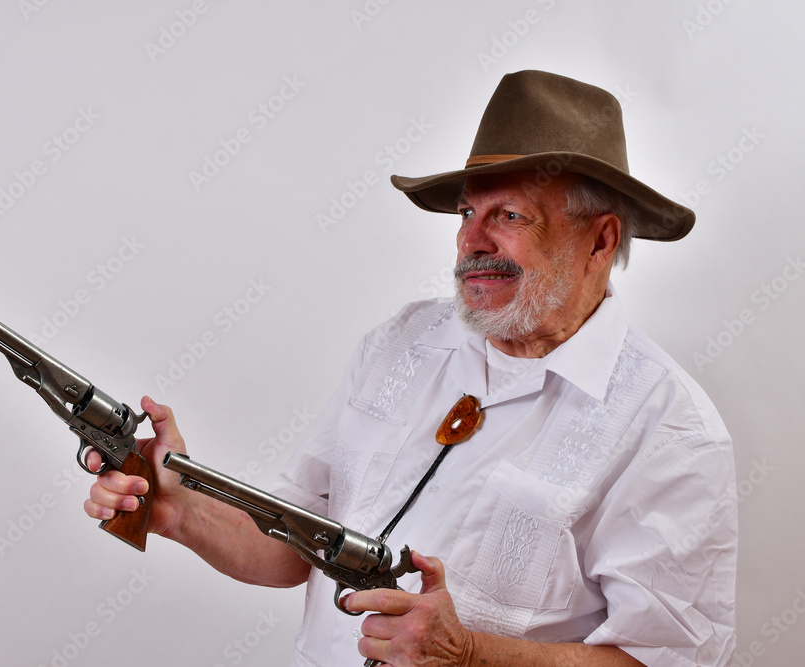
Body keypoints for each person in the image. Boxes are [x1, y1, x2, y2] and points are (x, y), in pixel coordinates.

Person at [84, 70, 737, 666]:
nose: (471, 241)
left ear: (600, 239)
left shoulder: (669, 427)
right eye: (466, 213)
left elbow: (670, 660)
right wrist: (177, 506)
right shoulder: (402, 340)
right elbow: (295, 543)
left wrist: (470, 653)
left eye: (508, 215)